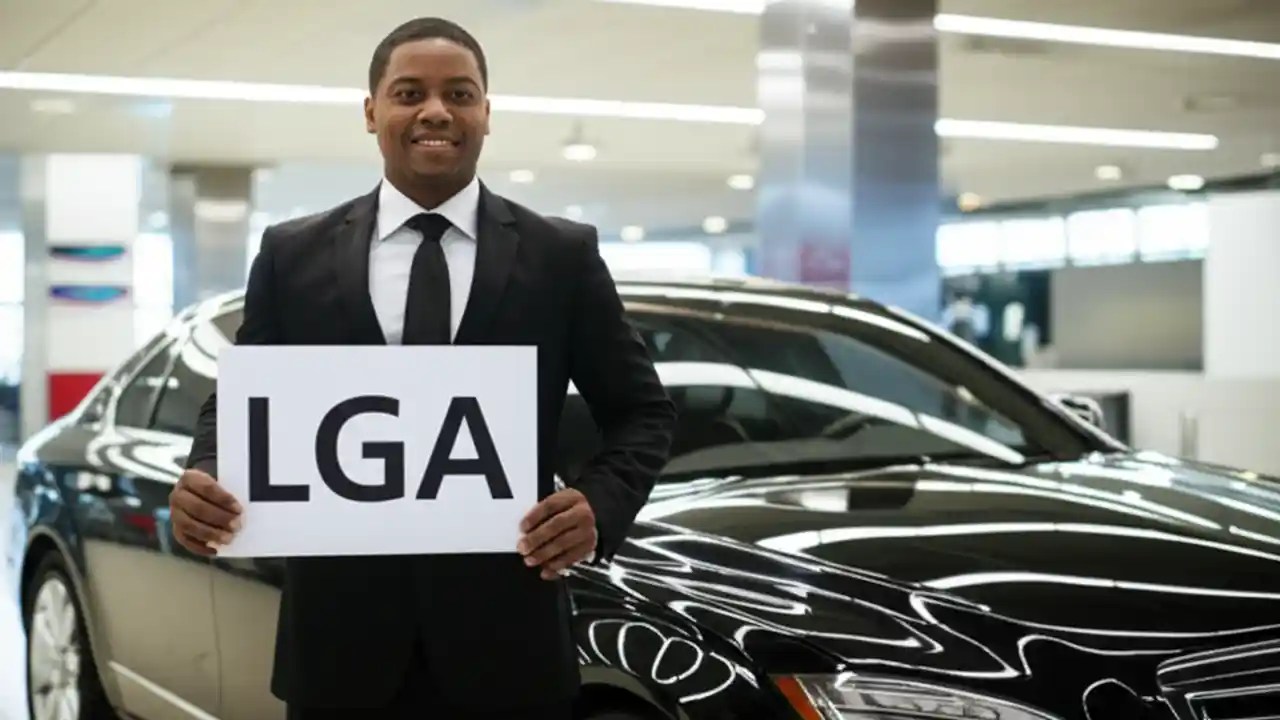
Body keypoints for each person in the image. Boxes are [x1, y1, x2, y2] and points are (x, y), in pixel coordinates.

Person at [167, 16, 677, 719]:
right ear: (372, 110)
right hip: (338, 647)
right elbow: (242, 400)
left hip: (509, 646)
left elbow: (642, 411)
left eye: (460, 94)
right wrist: (209, 472)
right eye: (409, 92)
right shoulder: (293, 254)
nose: (436, 111)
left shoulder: (561, 256)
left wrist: (599, 503)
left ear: (487, 114)